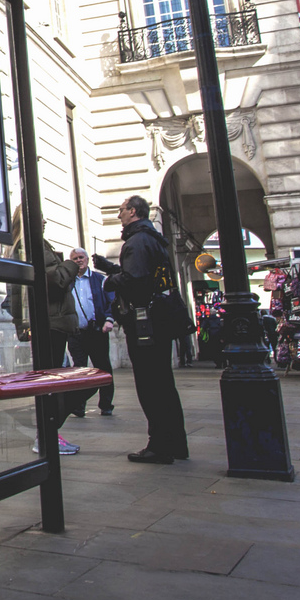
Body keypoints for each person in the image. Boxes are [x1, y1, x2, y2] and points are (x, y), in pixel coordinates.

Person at [109, 195, 188, 465]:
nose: (118, 215)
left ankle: (159, 446)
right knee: (164, 383)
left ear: (133, 211)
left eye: (121, 210)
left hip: (146, 323)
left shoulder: (137, 241)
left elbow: (136, 280)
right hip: (161, 320)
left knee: (150, 384)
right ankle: (176, 443)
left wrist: (111, 280)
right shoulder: (151, 238)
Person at [6, 213, 84, 455]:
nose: (44, 221)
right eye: (39, 217)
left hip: (48, 322)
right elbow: (56, 280)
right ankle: (46, 434)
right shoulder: (33, 245)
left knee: (55, 380)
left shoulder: (24, 246)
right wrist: (71, 264)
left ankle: (49, 433)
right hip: (51, 323)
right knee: (55, 382)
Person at [65, 249, 115, 417]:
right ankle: (79, 406)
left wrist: (109, 320)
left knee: (103, 368)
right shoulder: (68, 281)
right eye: (75, 258)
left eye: (81, 257)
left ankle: (106, 404)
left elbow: (112, 302)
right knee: (79, 370)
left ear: (86, 259)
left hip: (97, 331)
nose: (79, 260)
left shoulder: (100, 280)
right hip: (75, 334)